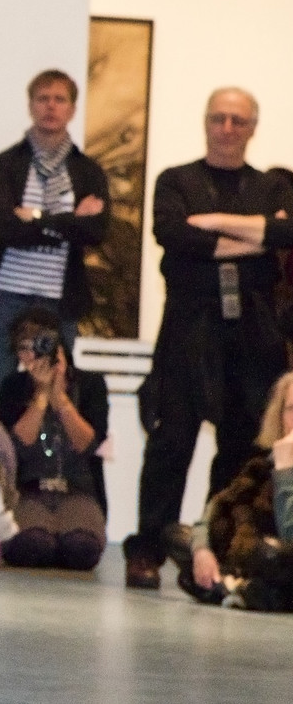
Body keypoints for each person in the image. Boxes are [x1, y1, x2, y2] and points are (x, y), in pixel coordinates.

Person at [126, 88, 293, 589]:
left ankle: (217, 549)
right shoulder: (175, 180)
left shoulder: (271, 186)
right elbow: (174, 236)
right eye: (219, 118)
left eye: (238, 120)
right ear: (205, 122)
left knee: (242, 445)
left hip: (253, 331)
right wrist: (256, 236)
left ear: (252, 128)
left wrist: (216, 225)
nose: (227, 128)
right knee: (171, 440)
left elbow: (287, 235)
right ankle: (149, 549)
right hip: (188, 325)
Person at [0, 70, 109, 403]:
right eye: (43, 98)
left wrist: (36, 217)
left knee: (58, 392)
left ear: (72, 109)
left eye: (60, 99)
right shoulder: (4, 165)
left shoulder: (87, 171)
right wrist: (68, 222)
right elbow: (2, 226)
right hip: (4, 294)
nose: (51, 106)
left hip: (59, 297)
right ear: (30, 105)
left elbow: (95, 231)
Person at [0, 306, 110, 573]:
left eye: (38, 345)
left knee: (81, 549)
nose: (31, 355)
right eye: (22, 348)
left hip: (78, 491)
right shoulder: (12, 386)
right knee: (33, 545)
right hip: (29, 491)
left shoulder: (90, 384)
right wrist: (41, 395)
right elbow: (16, 446)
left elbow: (88, 445)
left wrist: (60, 399)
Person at [172, 370, 293, 610]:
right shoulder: (261, 465)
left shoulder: (282, 467)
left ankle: (233, 586)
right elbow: (217, 508)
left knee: (271, 554)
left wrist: (285, 472)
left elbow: (290, 534)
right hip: (256, 556)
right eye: (291, 409)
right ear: (280, 416)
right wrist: (202, 551)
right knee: (177, 536)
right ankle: (238, 586)